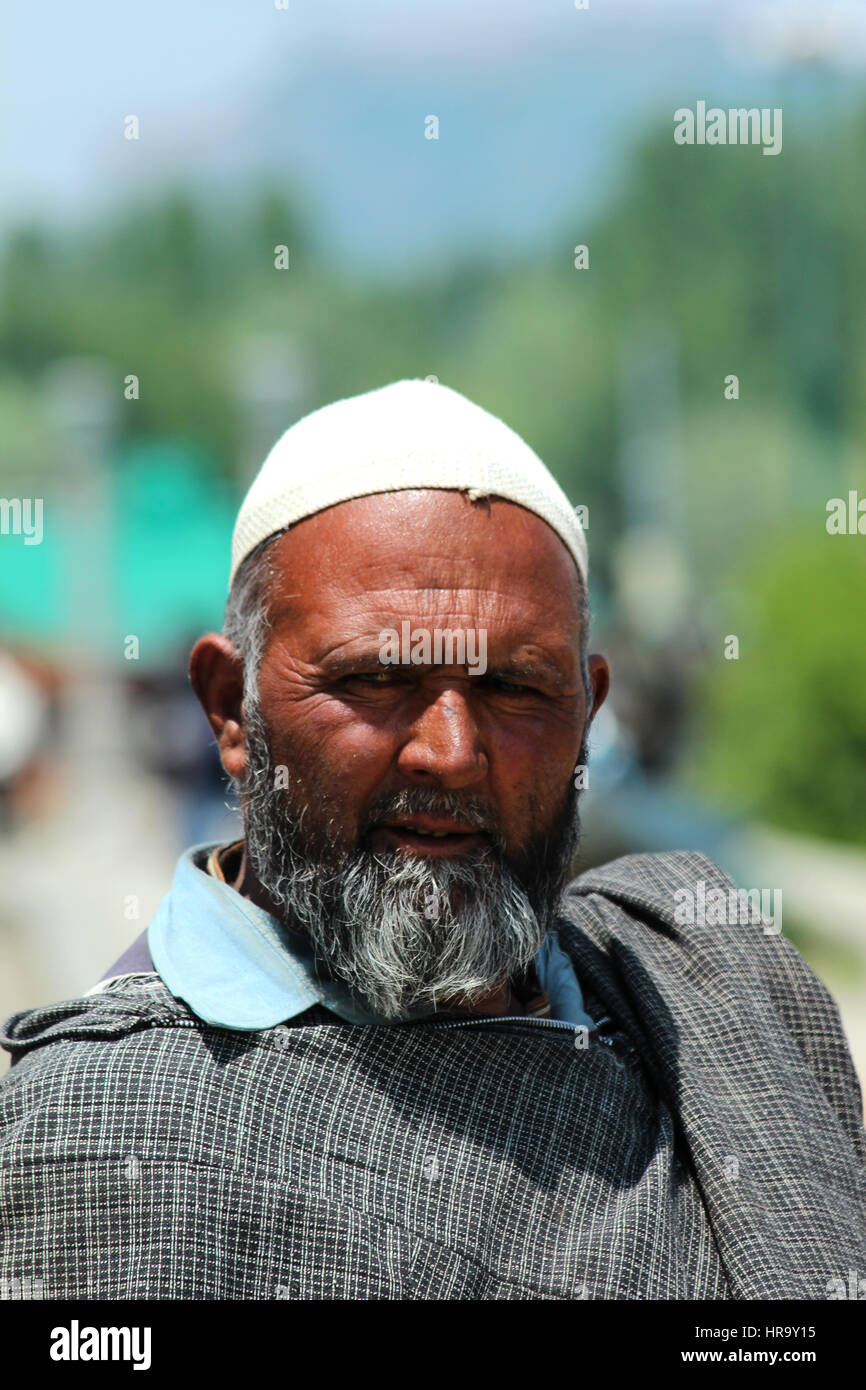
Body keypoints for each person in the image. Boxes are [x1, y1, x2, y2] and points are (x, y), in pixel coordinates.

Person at [1, 379, 864, 1300]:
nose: (451, 754)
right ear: (231, 710)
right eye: (375, 680)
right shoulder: (101, 1140)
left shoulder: (708, 994)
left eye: (515, 689)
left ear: (589, 714)